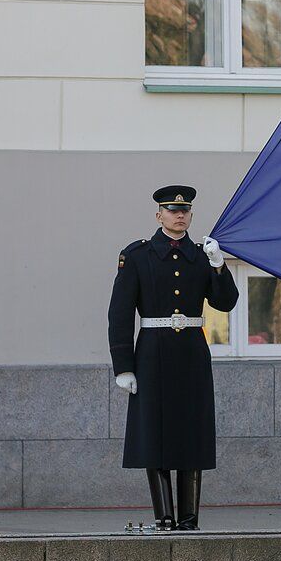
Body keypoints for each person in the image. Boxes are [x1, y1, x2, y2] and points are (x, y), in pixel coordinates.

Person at [108, 185, 239, 530]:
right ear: (159, 215)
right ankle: (164, 515)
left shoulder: (200, 256)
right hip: (153, 353)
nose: (179, 215)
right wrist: (123, 366)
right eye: (171, 210)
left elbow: (225, 303)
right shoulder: (138, 255)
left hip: (192, 355)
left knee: (191, 433)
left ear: (190, 215)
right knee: (156, 433)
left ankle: (190, 518)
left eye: (184, 211)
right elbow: (120, 314)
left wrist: (218, 265)